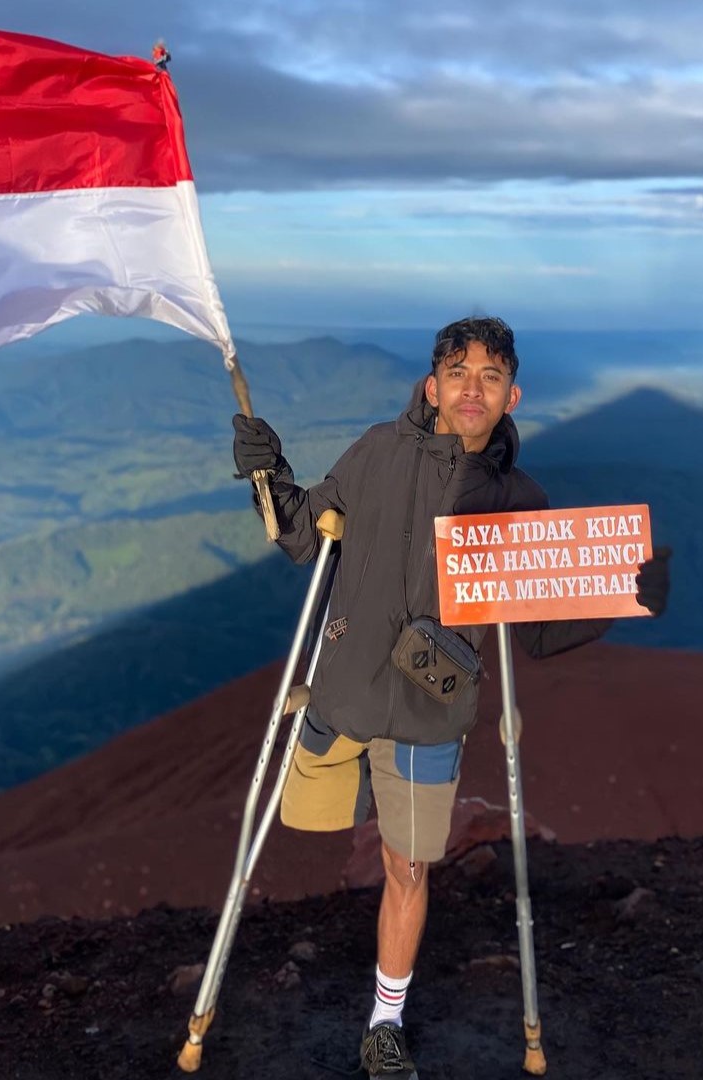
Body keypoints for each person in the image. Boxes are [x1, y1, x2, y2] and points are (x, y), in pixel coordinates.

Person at [233, 316, 670, 1079]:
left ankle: (386, 1021)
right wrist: (267, 474)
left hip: (429, 711)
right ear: (433, 386)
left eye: (490, 377)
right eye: (459, 373)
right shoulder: (376, 452)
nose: (474, 388)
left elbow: (542, 621)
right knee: (302, 830)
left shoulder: (513, 497)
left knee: (408, 867)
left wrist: (626, 594)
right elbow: (305, 535)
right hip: (342, 695)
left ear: (512, 396)